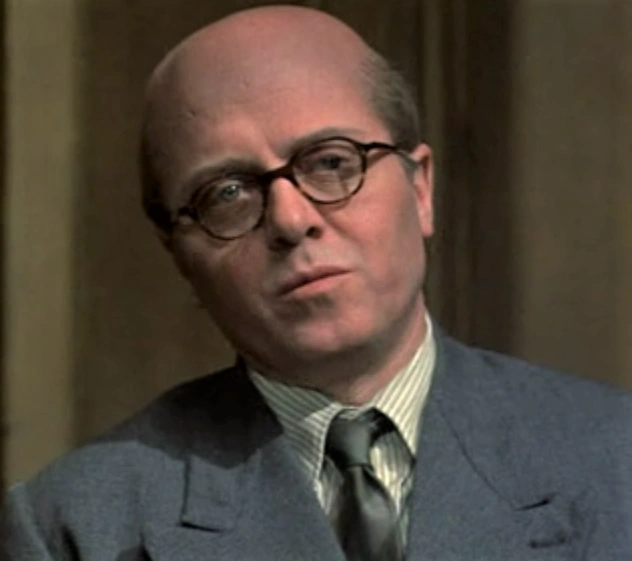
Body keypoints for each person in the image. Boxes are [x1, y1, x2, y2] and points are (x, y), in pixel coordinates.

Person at [3, 5, 632, 560]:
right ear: (178, 253)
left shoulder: (616, 460)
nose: (290, 219)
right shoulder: (71, 528)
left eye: (331, 162)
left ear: (420, 189)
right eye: (228, 193)